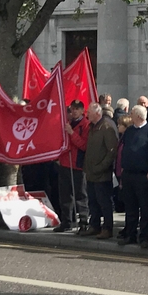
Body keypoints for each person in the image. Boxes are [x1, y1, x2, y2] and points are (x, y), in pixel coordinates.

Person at [118, 105, 148, 248]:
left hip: (143, 175)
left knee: (145, 208)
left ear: (138, 116)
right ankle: (130, 234)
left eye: (132, 113)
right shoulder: (129, 131)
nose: (130, 115)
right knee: (130, 207)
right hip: (128, 174)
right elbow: (124, 151)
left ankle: (144, 236)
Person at [83, 102, 119, 239]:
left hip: (102, 174)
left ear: (97, 113)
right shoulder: (93, 127)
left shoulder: (107, 127)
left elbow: (112, 151)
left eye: (89, 113)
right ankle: (94, 225)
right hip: (91, 172)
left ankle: (107, 228)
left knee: (104, 202)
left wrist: (101, 167)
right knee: (93, 201)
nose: (87, 115)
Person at [55, 100, 89, 233]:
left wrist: (71, 133)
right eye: (72, 109)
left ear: (82, 111)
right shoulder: (67, 123)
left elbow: (84, 145)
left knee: (80, 195)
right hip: (65, 164)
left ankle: (83, 222)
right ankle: (66, 221)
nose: (74, 111)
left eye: (77, 109)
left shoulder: (85, 125)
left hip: (78, 165)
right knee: (65, 195)